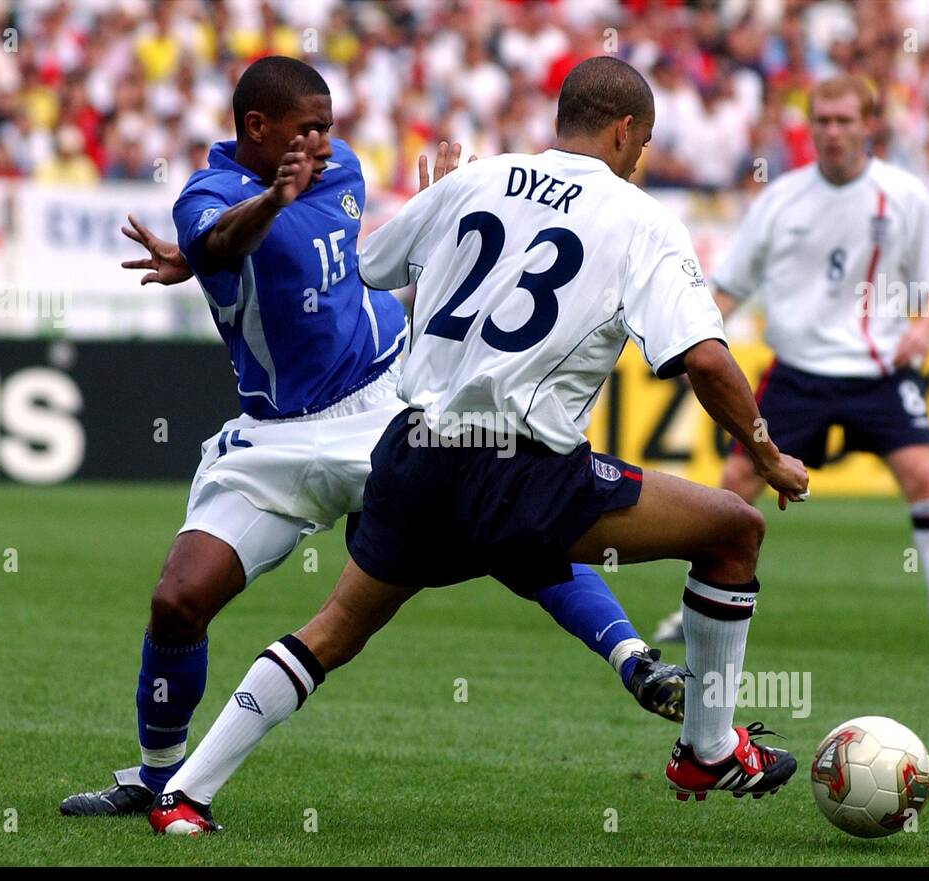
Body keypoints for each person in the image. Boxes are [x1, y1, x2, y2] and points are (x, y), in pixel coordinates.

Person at [148, 56, 810, 836]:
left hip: (413, 450)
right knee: (737, 529)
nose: (643, 158)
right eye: (645, 143)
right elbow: (703, 357)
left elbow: (370, 267)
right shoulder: (641, 219)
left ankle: (184, 793)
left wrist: (439, 209)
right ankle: (705, 746)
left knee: (332, 630)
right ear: (626, 132)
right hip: (516, 463)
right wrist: (764, 453)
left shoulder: (480, 179)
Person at [653, 75, 929, 651]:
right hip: (798, 371)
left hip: (878, 372)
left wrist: (925, 331)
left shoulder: (904, 195)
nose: (831, 132)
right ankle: (692, 614)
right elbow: (727, 286)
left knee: (924, 477)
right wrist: (685, 337)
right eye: (821, 121)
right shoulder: (780, 199)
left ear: (868, 125)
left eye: (843, 121)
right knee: (734, 483)